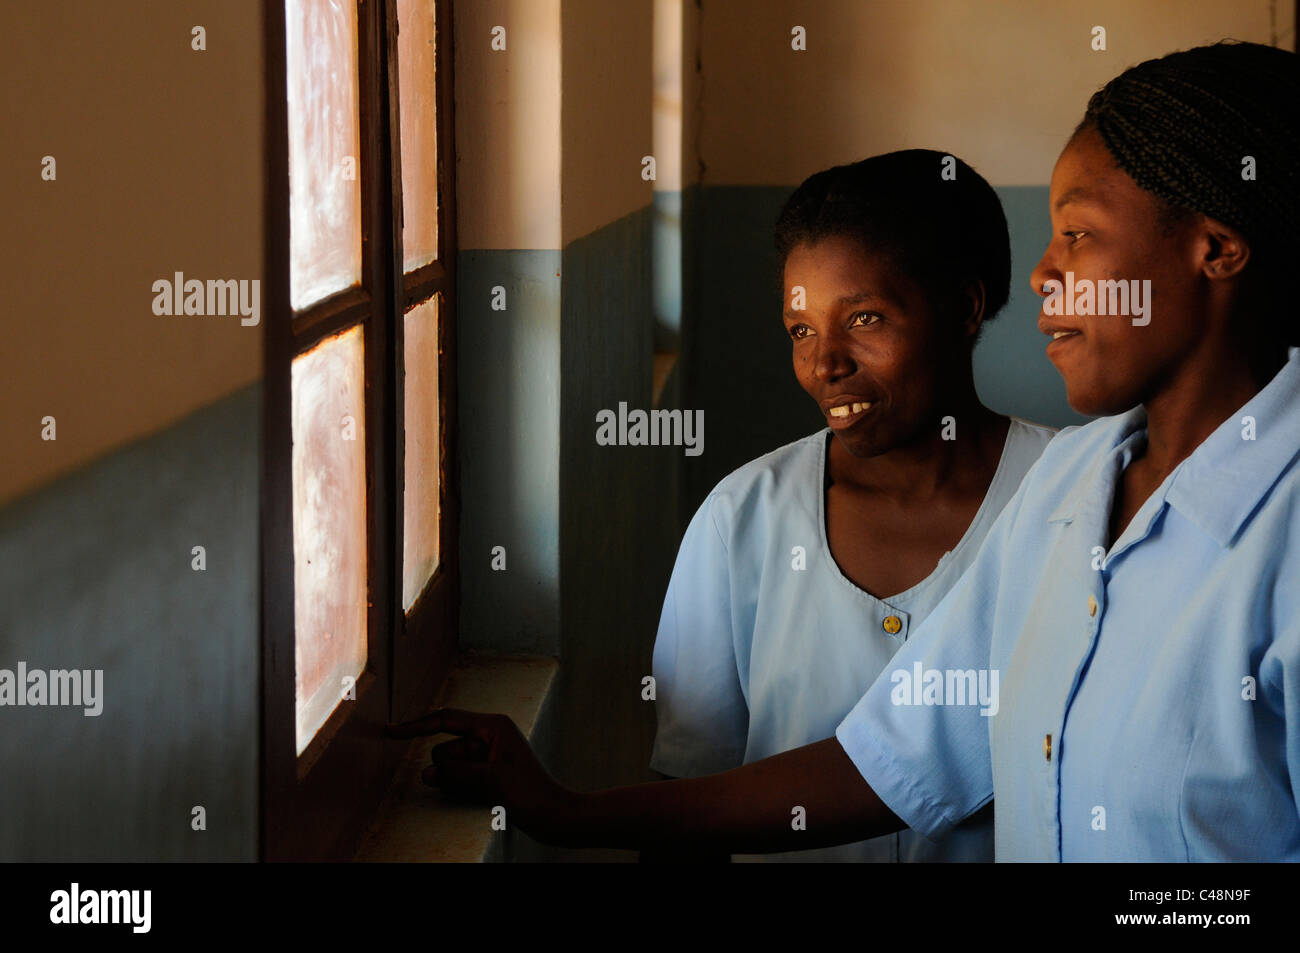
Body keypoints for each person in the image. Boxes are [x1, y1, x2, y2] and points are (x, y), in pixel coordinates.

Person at [390, 40, 1300, 861]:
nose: (1044, 273)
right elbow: (892, 758)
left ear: (1215, 249)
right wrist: (566, 814)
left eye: (1079, 234)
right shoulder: (1074, 486)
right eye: (798, 326)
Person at [645, 150, 1054, 864]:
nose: (824, 362)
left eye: (864, 317)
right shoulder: (741, 518)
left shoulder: (1070, 499)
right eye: (801, 329)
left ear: (965, 308)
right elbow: (689, 795)